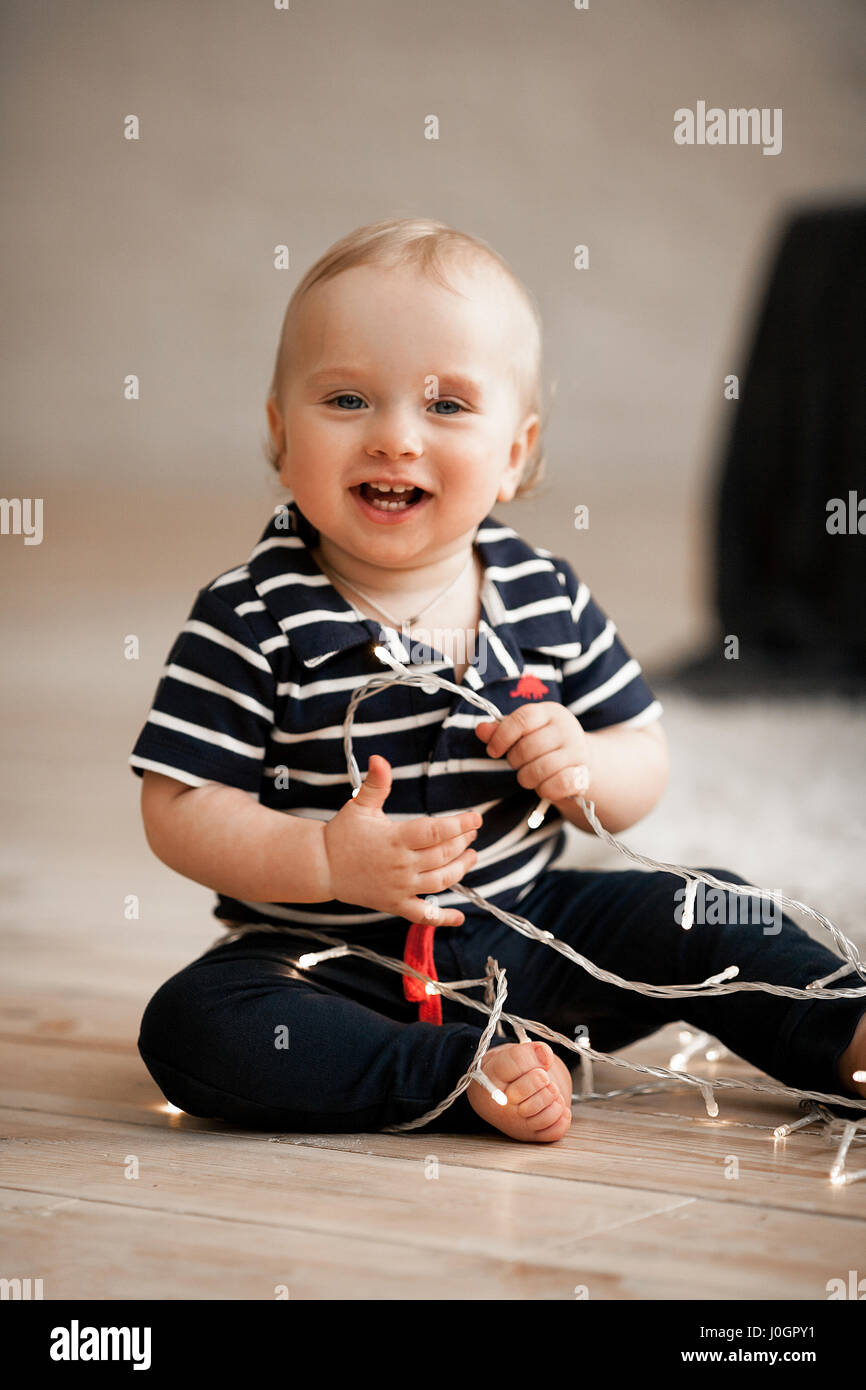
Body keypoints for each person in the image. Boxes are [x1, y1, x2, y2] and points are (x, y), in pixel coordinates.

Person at [130, 217, 866, 1141]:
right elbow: (180, 805)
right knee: (194, 1026)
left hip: (537, 941)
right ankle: (456, 1074)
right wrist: (325, 862)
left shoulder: (541, 595)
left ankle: (845, 1034)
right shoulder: (250, 614)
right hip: (331, 965)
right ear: (281, 433)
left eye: (446, 407)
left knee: (708, 903)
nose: (396, 439)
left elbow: (643, 757)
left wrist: (584, 764)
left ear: (515, 454)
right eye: (349, 399)